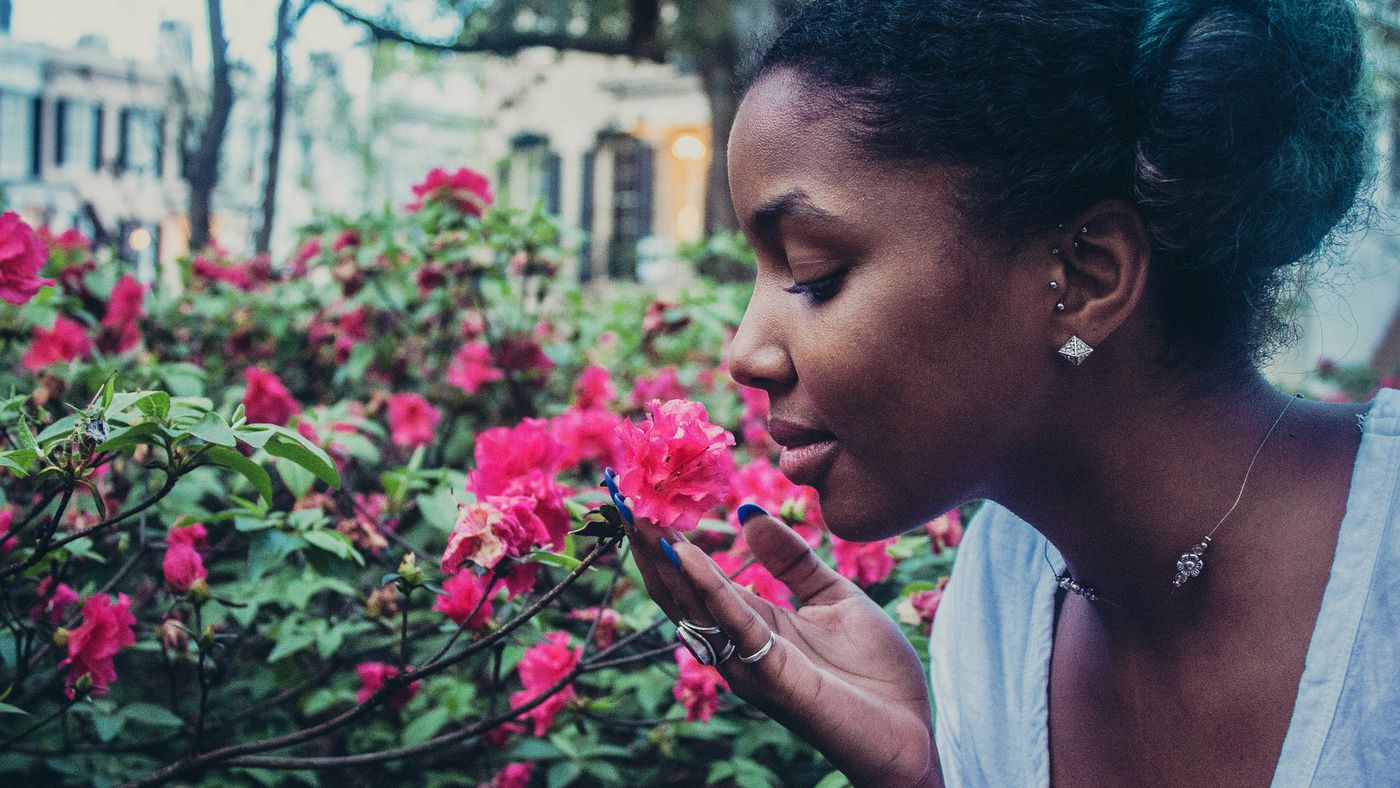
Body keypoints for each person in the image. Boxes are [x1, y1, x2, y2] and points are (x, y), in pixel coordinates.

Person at [621, 0, 1394, 785]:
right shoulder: (1002, 604)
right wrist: (921, 776)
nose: (743, 354)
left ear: (1087, 276)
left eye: (816, 273)